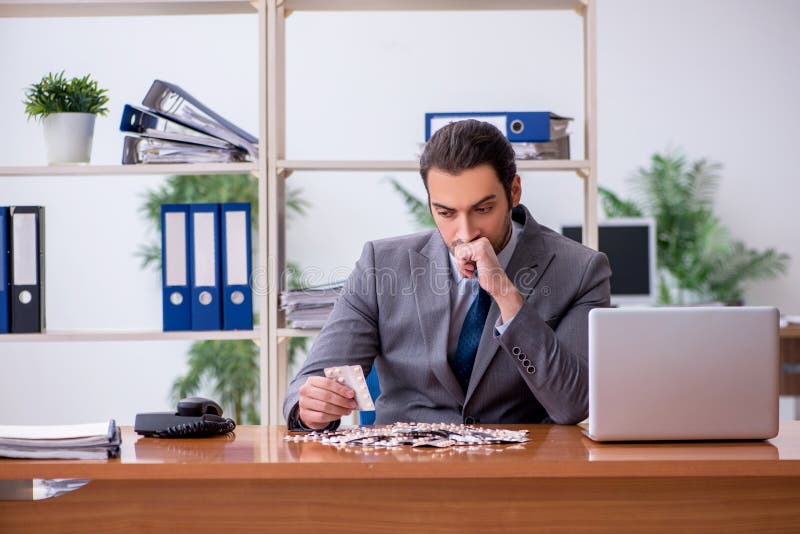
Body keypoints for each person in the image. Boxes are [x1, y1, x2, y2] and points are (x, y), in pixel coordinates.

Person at [283, 119, 611, 430]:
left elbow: (572, 404)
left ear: (514, 191)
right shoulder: (380, 264)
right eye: (446, 212)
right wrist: (309, 406)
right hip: (405, 469)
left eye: (483, 209)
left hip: (518, 474)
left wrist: (507, 297)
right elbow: (308, 381)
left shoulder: (580, 271)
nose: (465, 232)